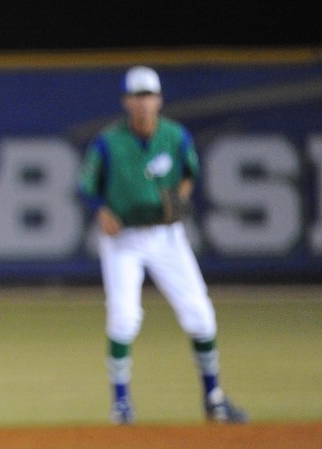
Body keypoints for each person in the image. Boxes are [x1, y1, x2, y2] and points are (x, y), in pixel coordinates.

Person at [78, 66, 248, 425]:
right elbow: (86, 186)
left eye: (148, 95)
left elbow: (190, 174)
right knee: (124, 318)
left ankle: (213, 399)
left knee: (200, 314)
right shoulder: (108, 143)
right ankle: (121, 405)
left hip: (165, 238)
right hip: (123, 239)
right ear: (126, 101)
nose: (142, 103)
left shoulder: (175, 136)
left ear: (159, 99)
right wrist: (101, 211)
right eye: (136, 96)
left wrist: (178, 200)